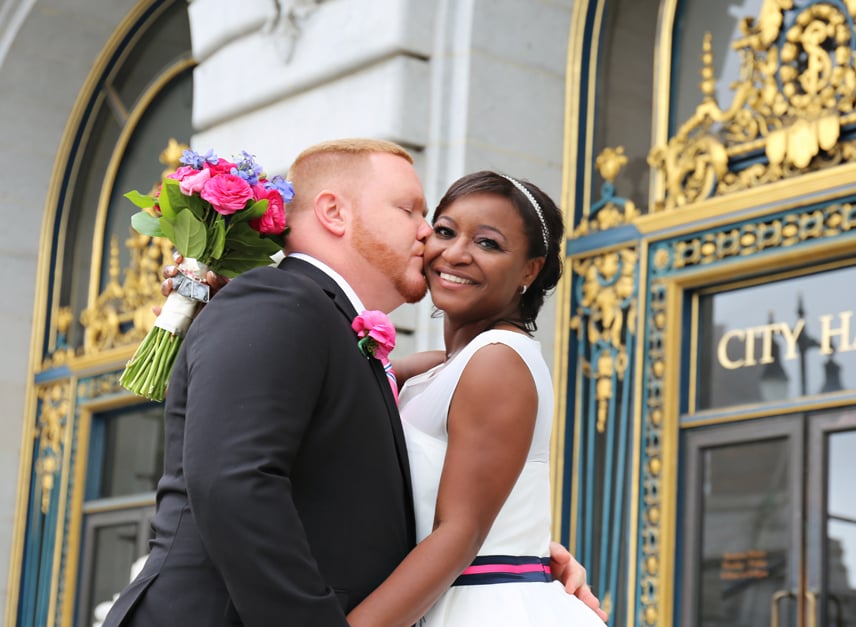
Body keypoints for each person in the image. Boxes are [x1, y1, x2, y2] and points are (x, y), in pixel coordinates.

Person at [103, 139, 598, 627]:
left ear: (530, 271)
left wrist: (524, 553)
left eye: (484, 241)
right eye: (413, 212)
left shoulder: (334, 328)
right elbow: (233, 481)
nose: (429, 236)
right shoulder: (278, 303)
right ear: (334, 213)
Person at [344, 171, 603, 626]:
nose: (455, 253)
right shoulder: (437, 367)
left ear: (530, 270)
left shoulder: (497, 362)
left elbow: (459, 534)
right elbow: (329, 378)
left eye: (488, 243)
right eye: (444, 231)